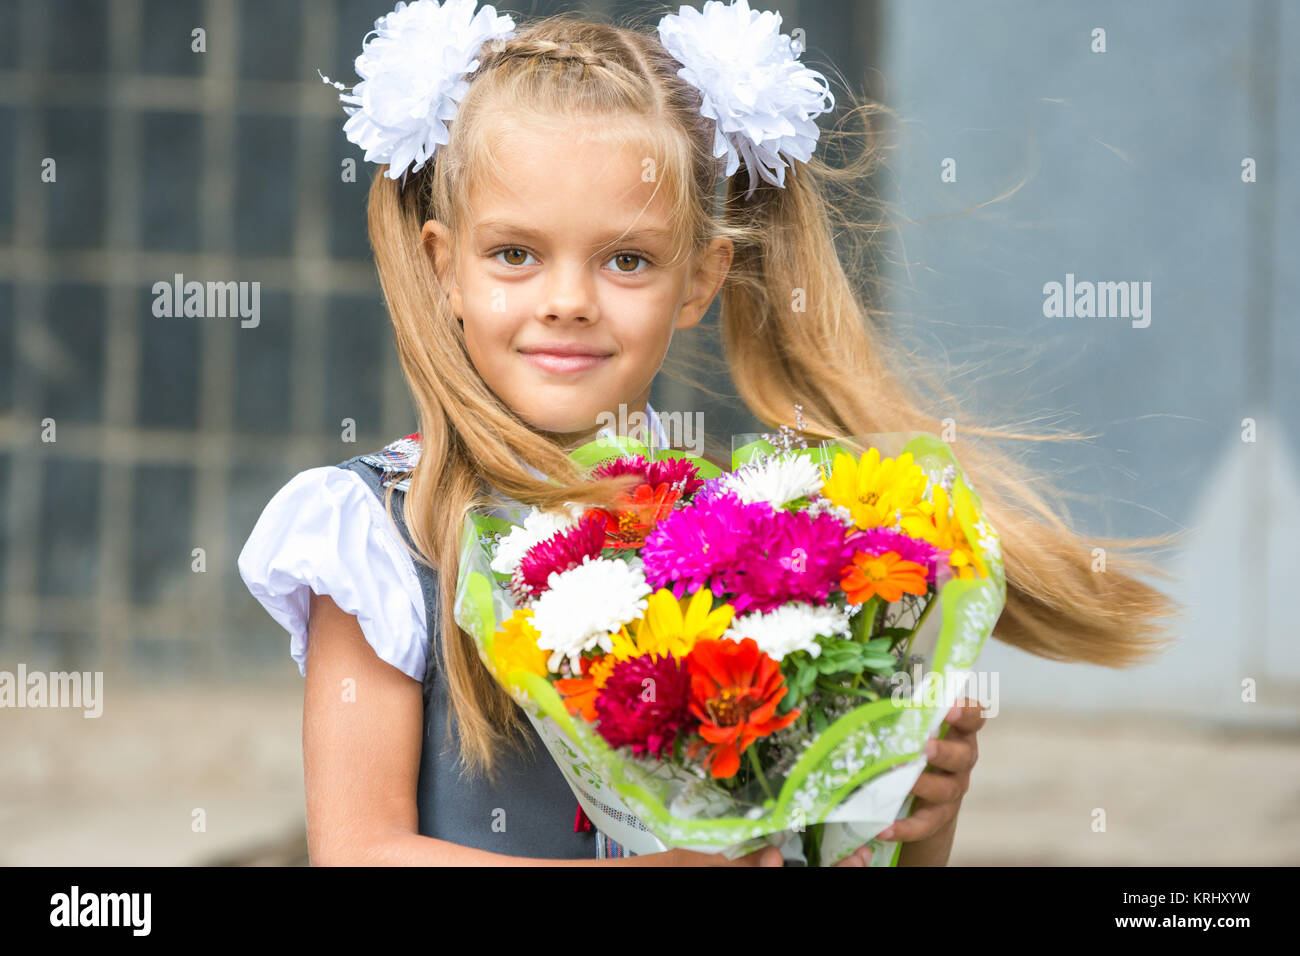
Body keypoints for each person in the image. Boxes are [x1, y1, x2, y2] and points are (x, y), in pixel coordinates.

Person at [238, 0, 1173, 866]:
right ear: (445, 267)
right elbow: (359, 853)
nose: (567, 301)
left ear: (700, 278)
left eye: (627, 260)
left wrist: (914, 817)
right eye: (514, 254)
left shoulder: (747, 537)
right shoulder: (381, 531)